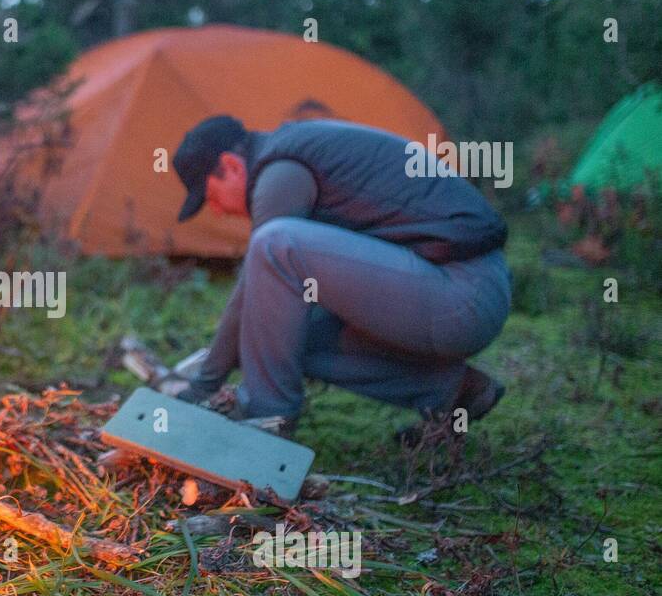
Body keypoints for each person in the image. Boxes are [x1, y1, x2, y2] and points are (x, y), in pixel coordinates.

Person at [170, 115, 511, 438]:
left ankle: (264, 422)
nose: (216, 210)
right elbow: (264, 313)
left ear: (230, 165)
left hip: (463, 292)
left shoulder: (280, 171)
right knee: (282, 333)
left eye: (211, 196)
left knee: (275, 244)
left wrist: (204, 383)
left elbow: (252, 286)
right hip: (457, 292)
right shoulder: (287, 154)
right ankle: (453, 392)